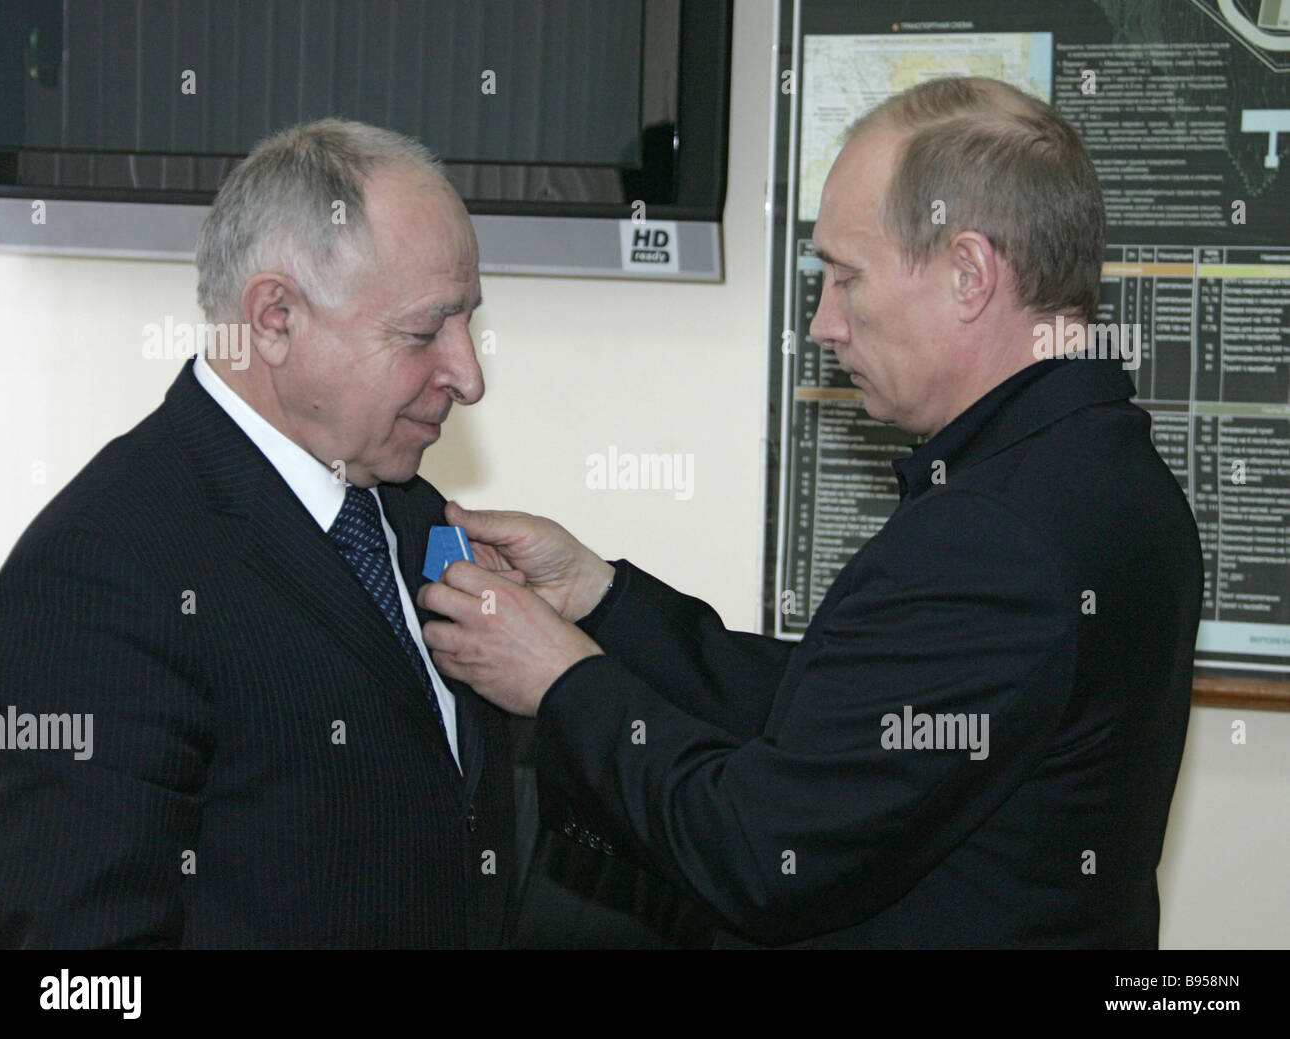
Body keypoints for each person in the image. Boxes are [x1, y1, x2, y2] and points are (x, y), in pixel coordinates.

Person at [418, 78, 1206, 948]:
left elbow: (766, 849)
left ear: (969, 273)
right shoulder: (1101, 469)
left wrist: (561, 682)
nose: (825, 322)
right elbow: (839, 720)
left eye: (846, 276)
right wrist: (601, 600)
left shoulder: (997, 533)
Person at [0, 120, 515, 948]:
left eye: (469, 323)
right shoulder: (97, 574)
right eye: (423, 333)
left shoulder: (407, 509)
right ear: (273, 319)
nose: (469, 375)